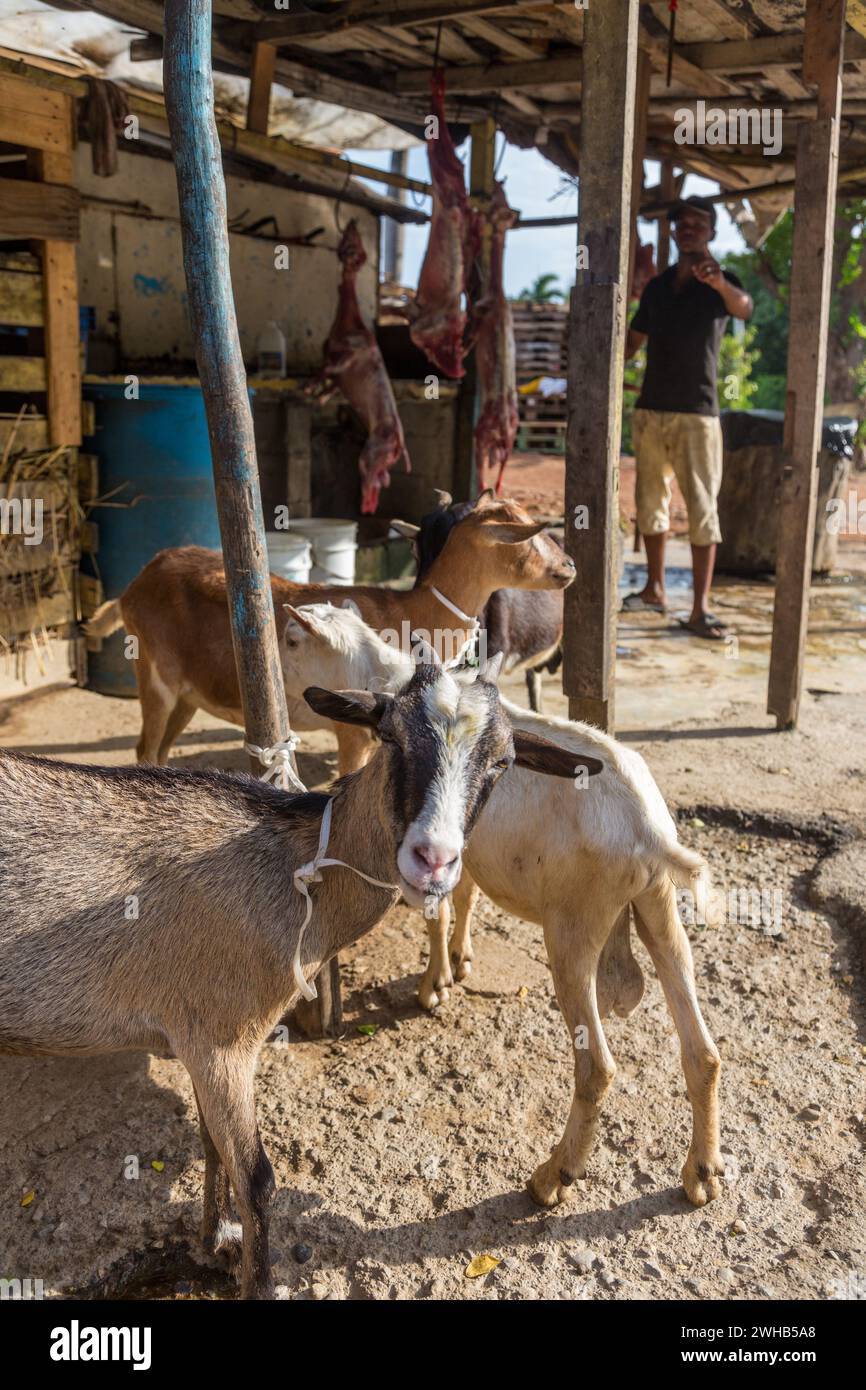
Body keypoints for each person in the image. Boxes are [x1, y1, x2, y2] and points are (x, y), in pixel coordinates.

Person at [623, 195, 753, 639]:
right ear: (674, 233)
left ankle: (699, 609)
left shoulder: (722, 282)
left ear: (712, 233)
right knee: (648, 504)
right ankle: (655, 589)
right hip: (651, 410)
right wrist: (598, 373)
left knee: (701, 509)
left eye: (698, 224)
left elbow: (744, 307)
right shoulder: (659, 287)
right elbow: (635, 338)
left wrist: (718, 284)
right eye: (682, 225)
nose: (689, 230)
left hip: (697, 413)